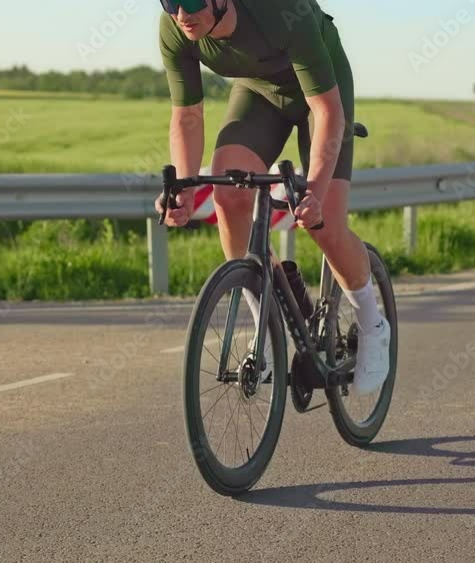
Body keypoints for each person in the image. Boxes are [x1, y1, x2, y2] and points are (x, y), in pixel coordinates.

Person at [153, 0, 389, 394]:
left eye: (191, 0)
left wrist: (314, 193)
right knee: (229, 197)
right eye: (168, 1)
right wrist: (185, 188)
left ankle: (372, 323)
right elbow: (187, 115)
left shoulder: (278, 9)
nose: (181, 13)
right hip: (259, 93)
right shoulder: (175, 28)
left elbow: (327, 112)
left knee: (325, 226)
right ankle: (267, 326)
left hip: (323, 96)